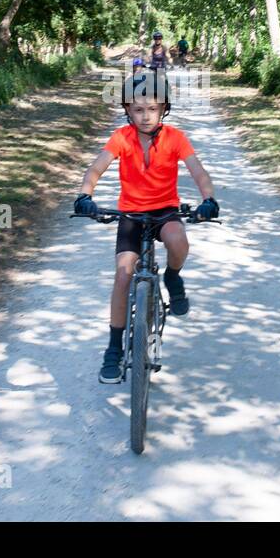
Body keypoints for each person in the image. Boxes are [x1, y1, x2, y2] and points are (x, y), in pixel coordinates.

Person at [74, 71, 219, 384]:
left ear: (163, 108)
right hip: (132, 215)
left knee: (178, 240)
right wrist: (86, 195)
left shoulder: (176, 138)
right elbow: (96, 168)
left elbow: (198, 171)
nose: (145, 116)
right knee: (123, 275)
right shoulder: (121, 138)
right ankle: (114, 348)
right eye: (137, 109)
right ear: (127, 110)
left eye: (152, 109)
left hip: (164, 211)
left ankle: (172, 276)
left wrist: (208, 199)